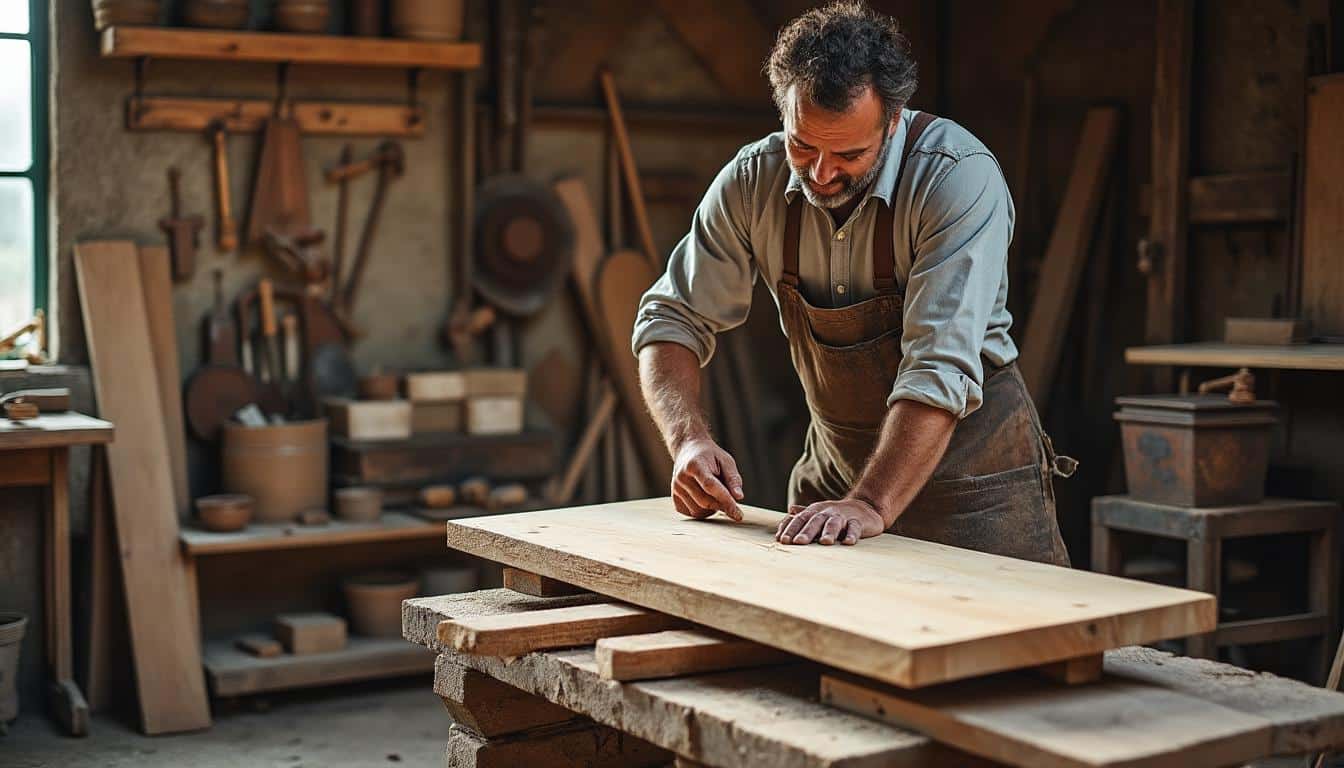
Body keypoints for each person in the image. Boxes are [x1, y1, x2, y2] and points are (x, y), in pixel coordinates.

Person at [631, 1, 1071, 564]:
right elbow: (670, 319)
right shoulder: (751, 182)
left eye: (849, 154)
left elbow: (937, 368)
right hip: (833, 476)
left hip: (971, 483)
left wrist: (870, 503)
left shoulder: (956, 178)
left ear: (892, 121)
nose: (821, 174)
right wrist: (687, 438)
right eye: (802, 147)